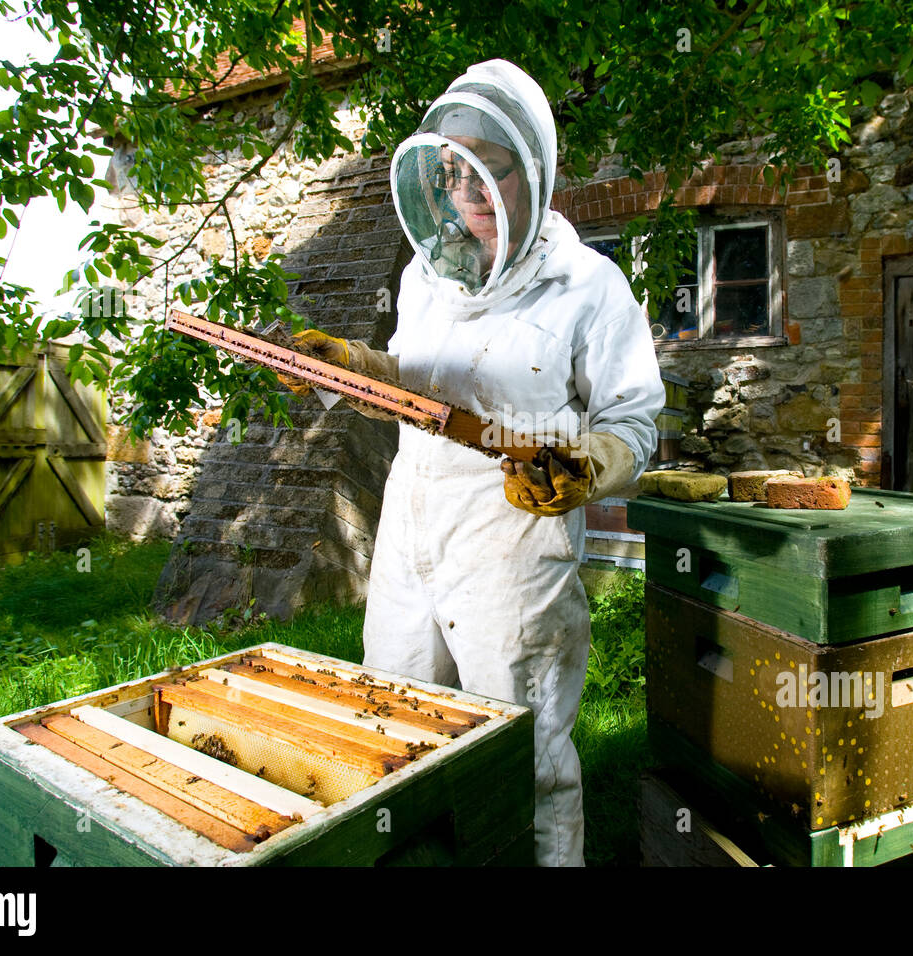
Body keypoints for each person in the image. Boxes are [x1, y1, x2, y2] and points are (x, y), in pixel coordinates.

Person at [292, 59, 664, 866]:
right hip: (410, 532)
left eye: (490, 169)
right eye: (455, 171)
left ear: (534, 169)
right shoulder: (428, 278)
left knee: (525, 753)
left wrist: (588, 465)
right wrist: (353, 366)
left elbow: (634, 421)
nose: (469, 191)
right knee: (395, 722)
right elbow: (415, 385)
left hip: (514, 543)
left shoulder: (589, 287)